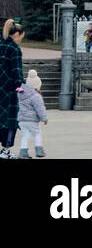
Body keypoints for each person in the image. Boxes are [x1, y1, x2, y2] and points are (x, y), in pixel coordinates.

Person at [0, 19, 24, 158]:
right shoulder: (14, 49)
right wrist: (22, 87)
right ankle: (6, 150)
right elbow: (16, 72)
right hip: (9, 92)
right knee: (10, 121)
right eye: (22, 37)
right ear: (17, 35)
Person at [16, 69, 48, 157]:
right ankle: (39, 151)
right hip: (32, 120)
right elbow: (40, 109)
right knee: (37, 134)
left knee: (25, 136)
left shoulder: (20, 94)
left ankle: (23, 153)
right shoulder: (36, 96)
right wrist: (44, 118)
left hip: (22, 120)